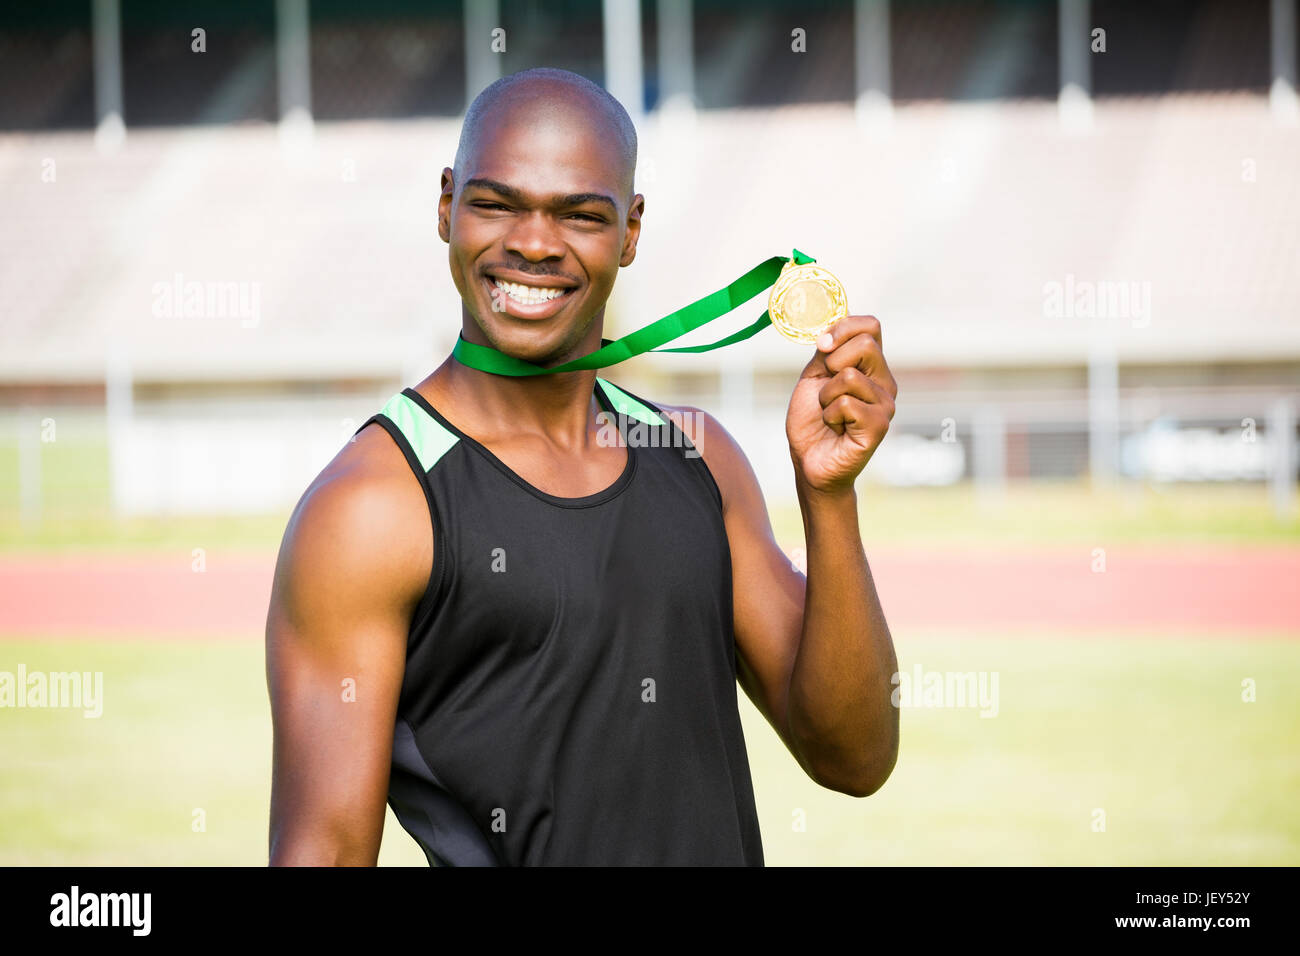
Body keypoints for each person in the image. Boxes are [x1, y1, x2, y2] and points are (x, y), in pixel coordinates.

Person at [265, 67, 899, 866]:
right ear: (445, 207)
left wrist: (829, 495)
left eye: (579, 214)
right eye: (496, 203)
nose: (533, 243)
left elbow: (855, 757)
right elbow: (321, 852)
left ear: (630, 231)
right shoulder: (371, 507)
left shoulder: (699, 460)